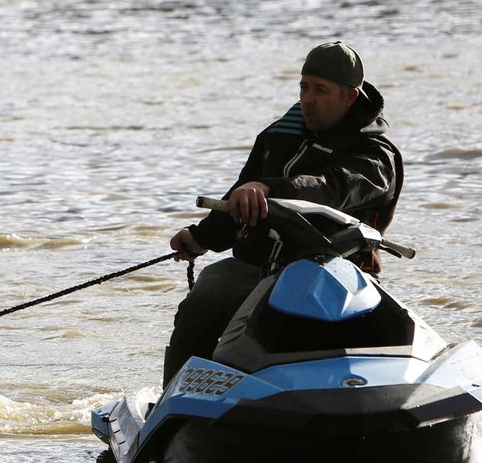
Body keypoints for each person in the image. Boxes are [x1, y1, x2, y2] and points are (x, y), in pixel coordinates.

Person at [164, 41, 403, 387]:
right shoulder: (279, 136)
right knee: (210, 288)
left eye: (321, 90)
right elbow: (240, 198)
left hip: (341, 283)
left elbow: (331, 187)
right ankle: (174, 402)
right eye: (304, 87)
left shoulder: (376, 157)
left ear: (349, 97)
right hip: (260, 272)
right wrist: (199, 238)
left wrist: (271, 188)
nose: (308, 98)